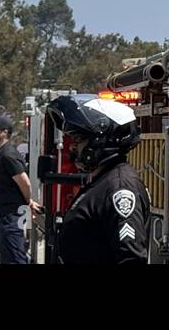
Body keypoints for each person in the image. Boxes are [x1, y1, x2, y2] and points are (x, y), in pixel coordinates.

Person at [46, 95, 149, 264]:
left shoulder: (120, 188)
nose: (72, 146)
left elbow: (131, 258)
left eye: (79, 139)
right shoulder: (101, 182)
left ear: (101, 138)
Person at [0, 116, 38, 264]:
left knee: (15, 257)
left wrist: (29, 202)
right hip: (4, 215)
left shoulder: (8, 155)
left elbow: (25, 182)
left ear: (5, 132)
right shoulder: (1, 154)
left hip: (12, 215)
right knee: (7, 258)